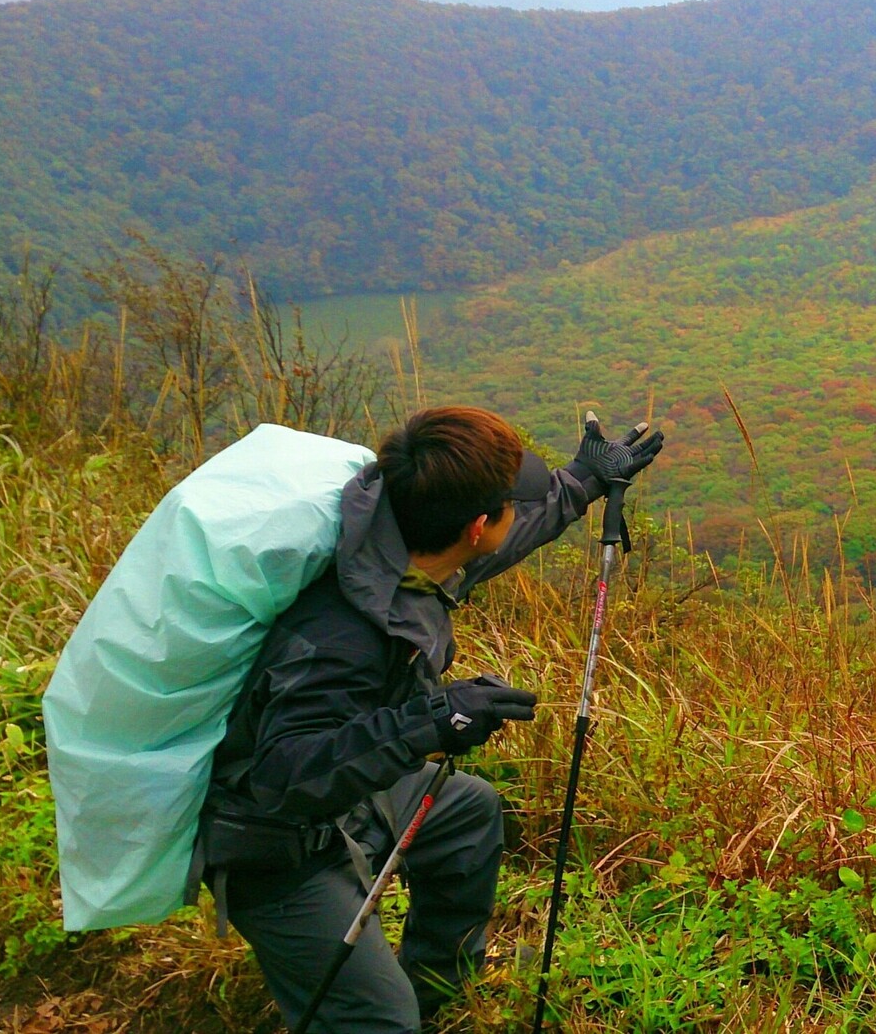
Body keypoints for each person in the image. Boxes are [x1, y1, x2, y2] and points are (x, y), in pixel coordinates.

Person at [196, 405, 663, 1033]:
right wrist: (433, 721)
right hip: (277, 848)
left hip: (343, 797)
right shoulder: (344, 630)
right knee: (379, 1023)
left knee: (466, 811)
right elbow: (282, 778)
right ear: (475, 525)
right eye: (506, 503)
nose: (512, 513)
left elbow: (500, 540)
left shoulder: (404, 544)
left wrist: (584, 479)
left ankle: (436, 992)